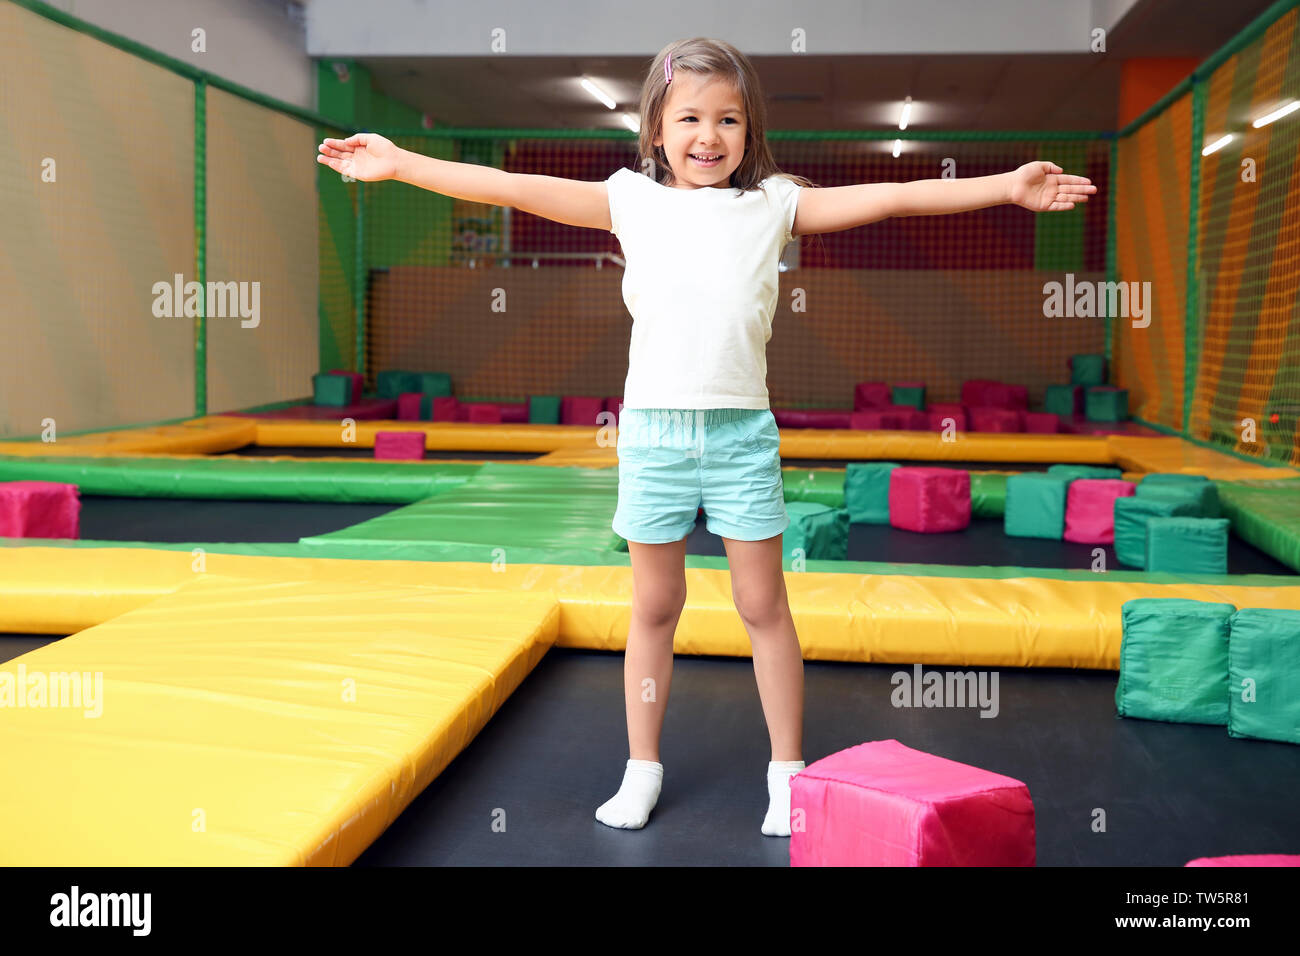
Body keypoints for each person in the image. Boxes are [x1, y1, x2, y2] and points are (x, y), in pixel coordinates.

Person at [316, 37, 1095, 839]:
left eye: (728, 119)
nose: (708, 135)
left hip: (740, 436)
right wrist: (402, 162)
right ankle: (642, 768)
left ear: (749, 132)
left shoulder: (775, 205)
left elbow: (893, 196)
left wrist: (1006, 186)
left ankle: (785, 774)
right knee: (655, 607)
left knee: (764, 604)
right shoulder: (630, 200)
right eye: (689, 117)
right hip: (653, 435)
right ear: (656, 129)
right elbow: (512, 186)